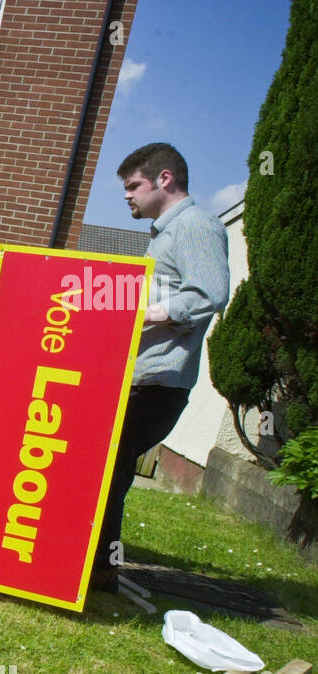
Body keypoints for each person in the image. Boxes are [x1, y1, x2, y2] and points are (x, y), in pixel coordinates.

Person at [91, 142, 229, 592]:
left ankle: (100, 571)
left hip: (158, 381)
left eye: (133, 185)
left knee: (111, 466)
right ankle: (95, 564)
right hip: (144, 376)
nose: (127, 195)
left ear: (164, 179)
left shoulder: (194, 226)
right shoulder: (165, 233)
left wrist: (139, 313)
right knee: (109, 465)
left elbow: (210, 293)